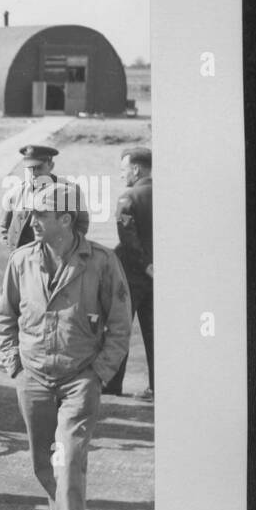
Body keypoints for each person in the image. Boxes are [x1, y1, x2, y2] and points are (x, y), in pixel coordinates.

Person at [0, 181, 132, 510]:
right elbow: (4, 317)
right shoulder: (22, 261)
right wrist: (13, 365)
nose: (31, 220)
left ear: (67, 219)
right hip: (32, 375)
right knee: (44, 463)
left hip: (78, 378)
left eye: (40, 214)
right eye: (31, 214)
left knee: (69, 459)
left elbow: (121, 325)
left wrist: (99, 374)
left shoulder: (103, 262)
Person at [106, 146, 154, 400]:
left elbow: (128, 240)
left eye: (124, 169)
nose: (122, 174)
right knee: (155, 332)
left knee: (119, 328)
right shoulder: (168, 196)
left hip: (132, 277)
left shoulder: (128, 198)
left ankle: (113, 384)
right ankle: (158, 386)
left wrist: (145, 264)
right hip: (160, 277)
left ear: (136, 169)